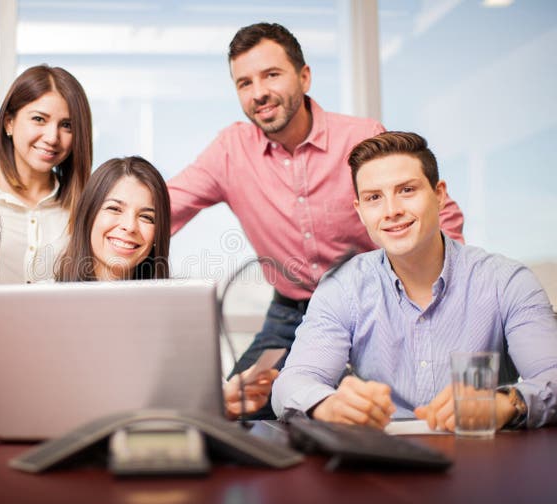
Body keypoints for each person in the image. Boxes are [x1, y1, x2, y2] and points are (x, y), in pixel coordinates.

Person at [167, 22, 466, 419]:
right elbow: (164, 205)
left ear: (304, 77)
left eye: (271, 75)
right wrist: (100, 223)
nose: (259, 93)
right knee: (233, 412)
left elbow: (438, 212)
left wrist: (436, 294)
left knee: (387, 413)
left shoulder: (360, 138)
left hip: (373, 305)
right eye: (244, 83)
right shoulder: (229, 152)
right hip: (289, 314)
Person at [272, 131, 557, 431]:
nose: (392, 211)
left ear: (439, 194)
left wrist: (506, 402)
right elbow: (291, 384)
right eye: (374, 198)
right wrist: (326, 405)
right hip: (383, 462)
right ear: (360, 211)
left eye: (407, 190)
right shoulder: (342, 288)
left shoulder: (507, 282)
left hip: (483, 458)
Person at [0, 64, 93, 284]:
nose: (52, 137)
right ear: (9, 123)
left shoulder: (84, 203)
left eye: (67, 125)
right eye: (39, 119)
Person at [55, 156, 170, 281]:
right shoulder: (43, 298)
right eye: (114, 209)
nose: (130, 226)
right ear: (87, 215)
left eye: (146, 217)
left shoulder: (175, 300)